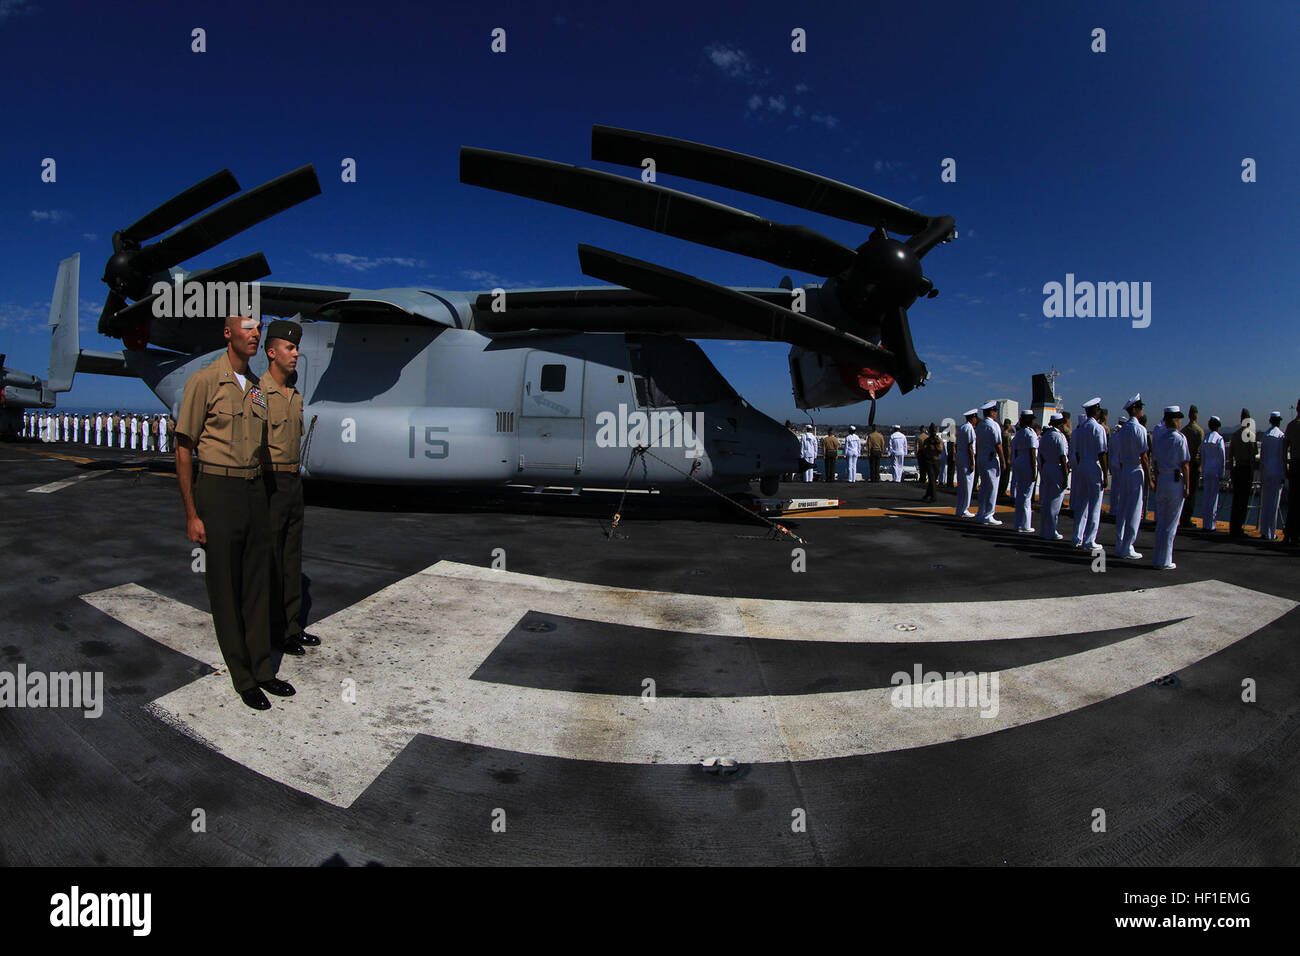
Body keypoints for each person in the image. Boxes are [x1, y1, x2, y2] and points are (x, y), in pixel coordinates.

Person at [174, 313, 293, 711]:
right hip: (218, 490)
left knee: (258, 585)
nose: (256, 334)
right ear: (228, 334)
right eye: (247, 327)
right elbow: (184, 447)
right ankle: (242, 677)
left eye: (259, 328)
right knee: (226, 589)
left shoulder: (258, 390)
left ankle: (263, 670)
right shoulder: (205, 381)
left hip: (254, 489)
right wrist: (192, 512)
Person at [261, 320, 319, 658]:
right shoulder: (257, 393)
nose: (296, 353)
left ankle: (291, 627)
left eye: (296, 347)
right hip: (268, 482)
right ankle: (269, 629)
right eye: (289, 348)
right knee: (268, 559)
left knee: (290, 558)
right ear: (272, 352)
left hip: (292, 482)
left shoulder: (294, 396)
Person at [1151, 406, 1190, 570]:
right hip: (1174, 480)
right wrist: (1188, 486)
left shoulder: (1159, 439)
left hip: (1162, 480)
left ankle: (1157, 557)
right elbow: (1185, 464)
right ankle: (1165, 560)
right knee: (1171, 523)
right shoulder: (1180, 439)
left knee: (1161, 521)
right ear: (1176, 421)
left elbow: (1155, 462)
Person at [1112, 394, 1149, 560]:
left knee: (1123, 508)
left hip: (1124, 470)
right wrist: (1150, 478)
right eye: (1140, 407)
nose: (1142, 410)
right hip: (1135, 469)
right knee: (1134, 510)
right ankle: (1128, 546)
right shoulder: (1139, 429)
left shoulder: (1123, 430)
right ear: (1134, 409)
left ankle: (1120, 544)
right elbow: (1144, 456)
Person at [1071, 397, 1108, 550]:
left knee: (1081, 504)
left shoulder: (1080, 429)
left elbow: (1077, 451)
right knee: (1095, 504)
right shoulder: (1097, 429)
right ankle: (1090, 540)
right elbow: (1102, 453)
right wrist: (1105, 474)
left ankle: (1077, 537)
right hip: (1093, 465)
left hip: (1082, 466)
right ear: (1096, 411)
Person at [1038, 412, 1070, 539]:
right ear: (1060, 424)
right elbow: (1062, 457)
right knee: (1055, 502)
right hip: (1057, 467)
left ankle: (1044, 530)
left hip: (1047, 467)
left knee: (1046, 501)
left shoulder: (1045, 436)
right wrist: (1065, 476)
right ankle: (1051, 530)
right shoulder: (1059, 437)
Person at [1227, 409, 1257, 539]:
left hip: (1237, 468)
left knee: (1236, 500)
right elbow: (1252, 458)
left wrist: (1232, 472)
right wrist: (1252, 474)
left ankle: (1233, 527)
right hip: (1246, 469)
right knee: (1243, 501)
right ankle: (1239, 528)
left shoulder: (1234, 435)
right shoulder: (1251, 436)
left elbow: (1231, 456)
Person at [974, 401, 1004, 524]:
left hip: (981, 457)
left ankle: (981, 512)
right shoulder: (994, 425)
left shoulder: (980, 425)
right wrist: (1003, 460)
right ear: (992, 412)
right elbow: (998, 444)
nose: (996, 413)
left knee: (984, 487)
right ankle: (989, 514)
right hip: (991, 458)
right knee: (992, 487)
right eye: (995, 411)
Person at [1258, 411, 1286, 540]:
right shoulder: (1281, 436)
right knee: (1274, 504)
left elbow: (1262, 456)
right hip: (1276, 472)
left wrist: (1262, 474)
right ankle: (1271, 532)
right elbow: (1282, 457)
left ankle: (1263, 531)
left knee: (1265, 503)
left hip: (1266, 472)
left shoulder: (1265, 436)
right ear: (1279, 421)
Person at [1010, 411, 1038, 532]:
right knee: (1027, 496)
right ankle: (1025, 525)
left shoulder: (1019, 434)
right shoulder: (1030, 434)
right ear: (1029, 421)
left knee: (1020, 495)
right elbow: (1032, 453)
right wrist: (1034, 470)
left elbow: (1015, 450)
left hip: (1019, 461)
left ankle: (1018, 523)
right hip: (1027, 462)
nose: (1034, 422)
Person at [1200, 415, 1225, 533]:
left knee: (1206, 497)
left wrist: (1203, 470)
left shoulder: (1205, 439)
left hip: (1207, 470)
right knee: (1214, 498)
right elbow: (1222, 458)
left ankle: (1205, 523)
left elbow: (1203, 456)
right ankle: (1211, 525)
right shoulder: (1219, 439)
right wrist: (1222, 473)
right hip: (1215, 471)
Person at [1180, 406, 1203, 528]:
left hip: (1184, 463)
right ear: (1196, 415)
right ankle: (1187, 518)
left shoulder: (1184, 430)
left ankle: (1182, 517)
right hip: (1194, 463)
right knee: (1192, 493)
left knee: (1183, 491)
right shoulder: (1199, 431)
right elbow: (1200, 451)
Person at [955, 409, 978, 518]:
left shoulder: (962, 428)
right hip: (966, 458)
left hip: (960, 456)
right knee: (967, 485)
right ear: (972, 418)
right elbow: (970, 447)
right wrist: (972, 462)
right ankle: (964, 509)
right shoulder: (969, 428)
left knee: (961, 485)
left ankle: (960, 508)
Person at [1285, 400, 1300, 548]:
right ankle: (1296, 535)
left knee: (1292, 502)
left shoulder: (1290, 426)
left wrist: (1285, 467)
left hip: (1293, 465)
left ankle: (1289, 533)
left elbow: (1285, 448)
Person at [919, 423, 943, 501]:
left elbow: (940, 450)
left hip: (936, 460)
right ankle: (933, 496)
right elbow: (924, 450)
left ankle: (927, 494)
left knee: (933, 479)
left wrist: (935, 444)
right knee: (932, 478)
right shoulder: (927, 440)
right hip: (929, 461)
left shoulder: (938, 440)